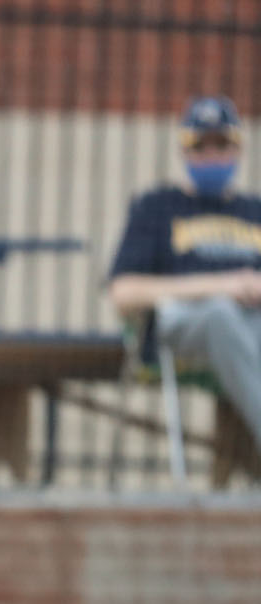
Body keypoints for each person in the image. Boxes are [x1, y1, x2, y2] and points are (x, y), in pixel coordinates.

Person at [107, 96, 261, 444]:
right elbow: (123, 293)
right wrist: (221, 285)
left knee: (245, 322)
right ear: (184, 150)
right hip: (181, 323)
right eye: (200, 146)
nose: (211, 155)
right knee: (222, 313)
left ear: (238, 148)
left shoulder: (255, 211)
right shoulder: (157, 207)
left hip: (251, 323)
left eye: (221, 144)